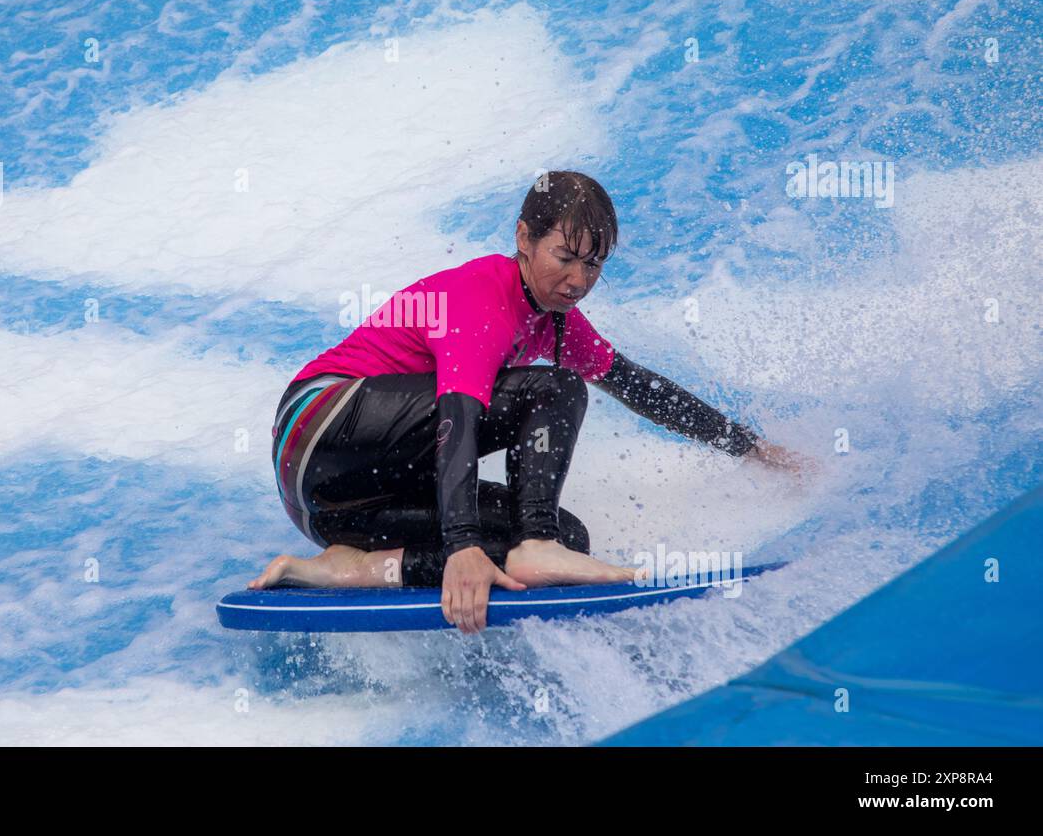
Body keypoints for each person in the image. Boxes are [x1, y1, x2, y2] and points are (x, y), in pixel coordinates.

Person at [250, 171, 811, 633]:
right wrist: (463, 545)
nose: (577, 279)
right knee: (554, 389)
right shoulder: (480, 300)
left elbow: (640, 388)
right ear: (524, 237)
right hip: (320, 427)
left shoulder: (555, 319)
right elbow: (456, 425)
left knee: (568, 540)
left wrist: (754, 449)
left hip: (335, 508)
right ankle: (533, 543)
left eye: (593, 265)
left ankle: (356, 566)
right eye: (564, 256)